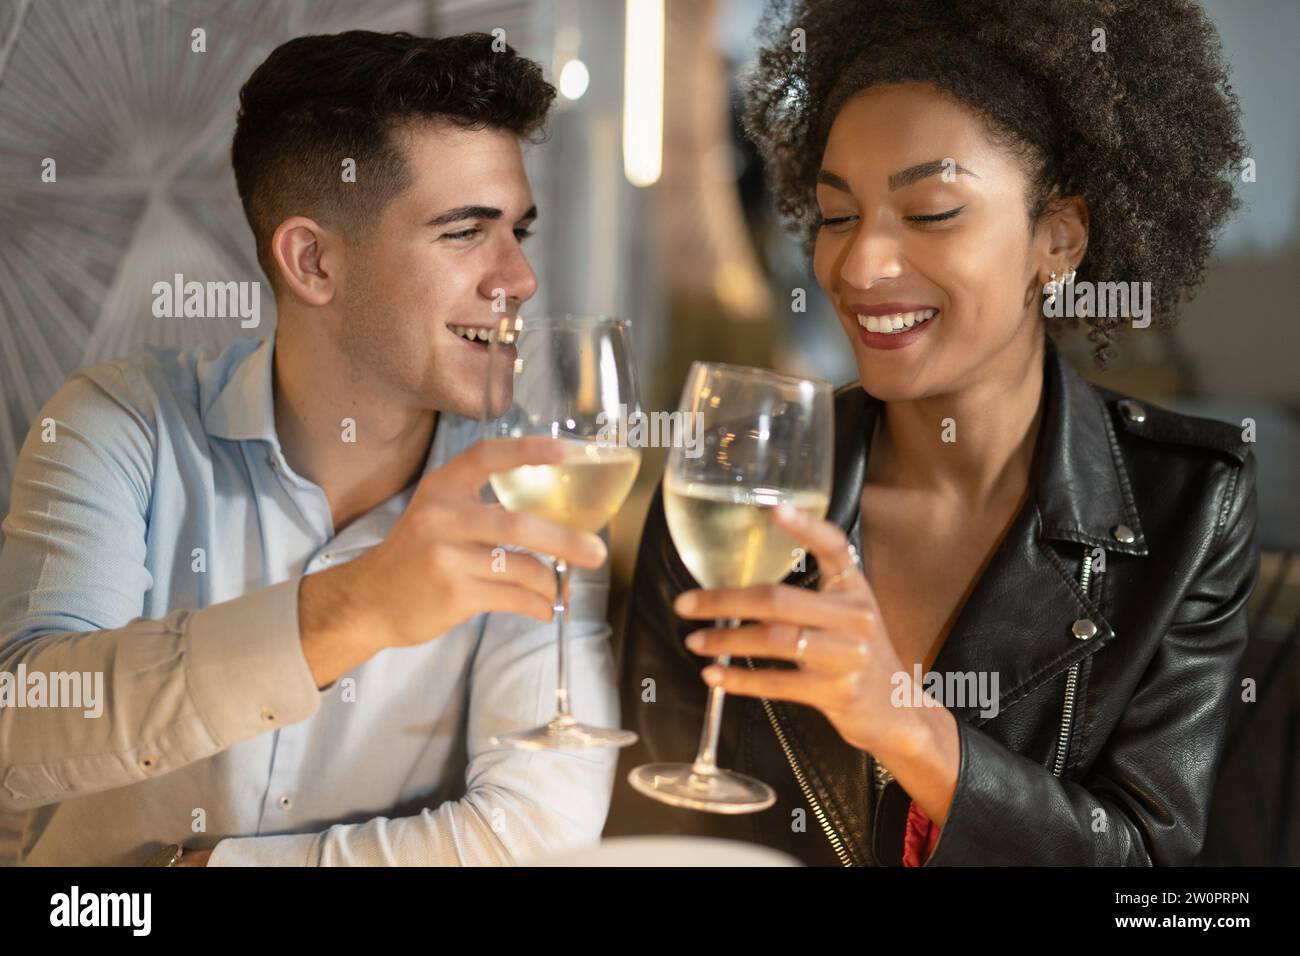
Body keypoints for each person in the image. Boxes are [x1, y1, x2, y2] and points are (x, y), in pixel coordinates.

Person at [608, 0, 1258, 866]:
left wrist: (909, 728)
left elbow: (1155, 881)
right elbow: (653, 827)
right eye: (839, 215)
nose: (861, 264)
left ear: (1057, 240)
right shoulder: (731, 479)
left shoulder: (1189, 505)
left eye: (931, 212)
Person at [0, 31, 619, 866]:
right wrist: (350, 611)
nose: (518, 279)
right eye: (466, 232)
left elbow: (539, 829)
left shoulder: (538, 485)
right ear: (313, 260)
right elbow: (20, 731)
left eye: (519, 231)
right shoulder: (116, 427)